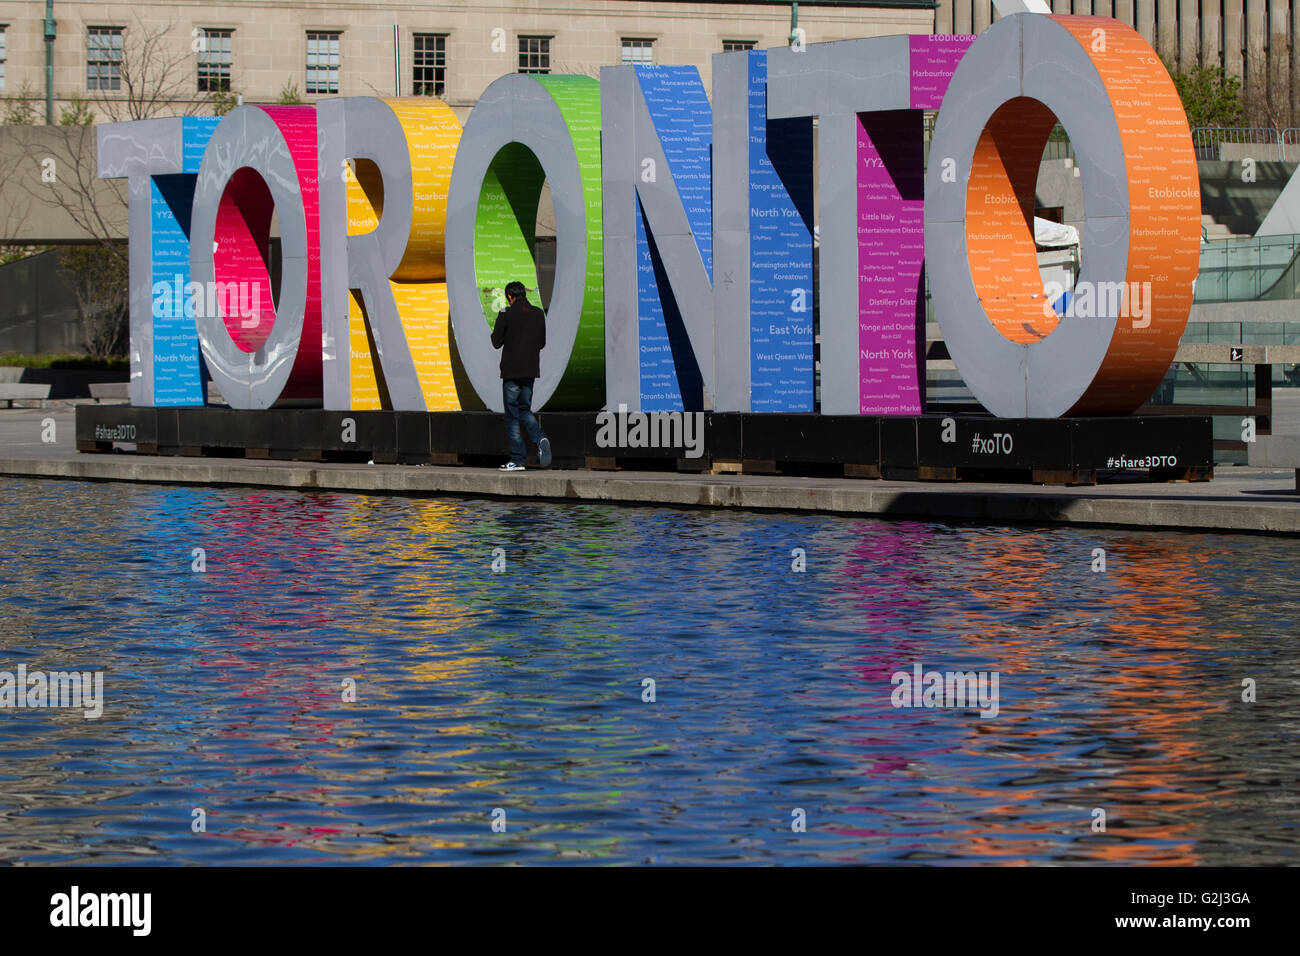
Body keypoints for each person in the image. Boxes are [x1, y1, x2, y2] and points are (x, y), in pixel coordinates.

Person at [490, 281, 551, 471]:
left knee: (512, 415)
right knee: (525, 409)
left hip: (511, 372)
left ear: (510, 297)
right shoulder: (538, 313)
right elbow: (541, 343)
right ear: (524, 294)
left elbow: (495, 342)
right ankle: (540, 437)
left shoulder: (506, 314)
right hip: (531, 371)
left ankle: (517, 459)